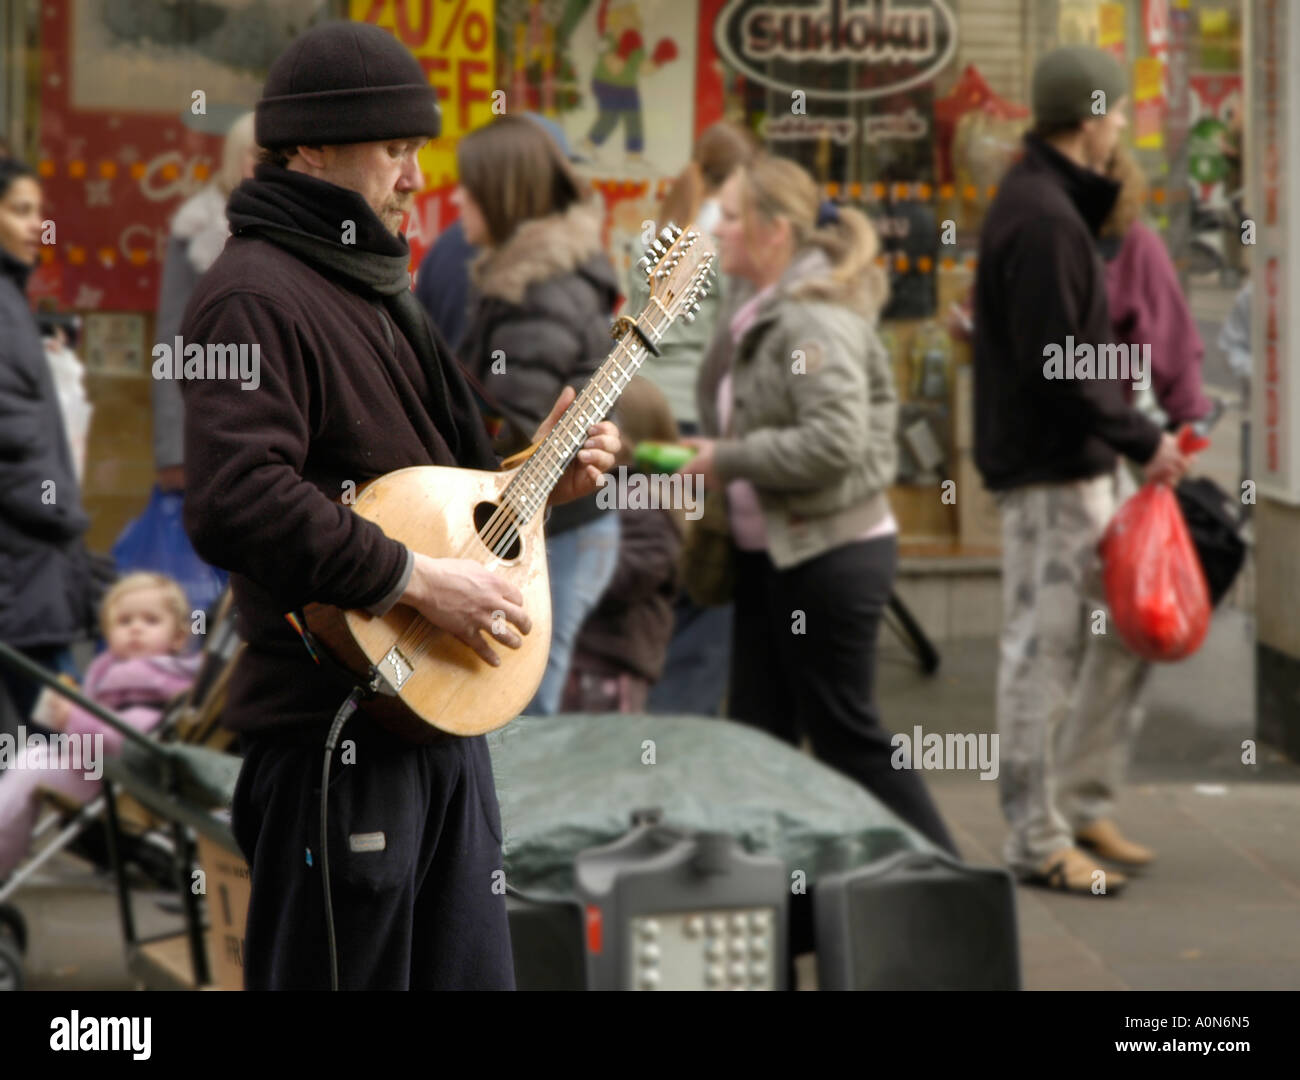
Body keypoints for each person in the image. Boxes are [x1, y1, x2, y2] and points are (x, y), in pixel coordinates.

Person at [177, 22, 618, 990]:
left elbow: (450, 485)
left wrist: (546, 478)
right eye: (395, 149)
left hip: (434, 719)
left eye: (418, 150)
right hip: (333, 737)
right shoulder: (252, 295)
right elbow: (234, 497)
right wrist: (416, 580)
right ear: (312, 150)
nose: (416, 177)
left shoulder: (373, 286)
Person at [681, 155, 957, 856]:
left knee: (844, 736)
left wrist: (726, 460)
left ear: (776, 232)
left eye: (735, 215)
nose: (721, 227)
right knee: (759, 739)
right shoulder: (758, 309)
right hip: (775, 558)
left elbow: (833, 441)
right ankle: (782, 917)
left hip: (827, 558)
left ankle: (949, 888)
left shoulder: (810, 321)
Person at [973, 46, 1193, 896]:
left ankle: (1072, 801)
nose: (1120, 130)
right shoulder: (1047, 218)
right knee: (1040, 655)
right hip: (1054, 477)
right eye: (1114, 113)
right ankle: (1034, 836)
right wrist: (1142, 437)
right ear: (1091, 116)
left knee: (1122, 632)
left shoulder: (1045, 207)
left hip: (1072, 468)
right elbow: (1059, 363)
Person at [454, 115, 622, 716]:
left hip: (557, 530)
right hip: (561, 526)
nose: (455, 198)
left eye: (469, 187)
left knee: (512, 709)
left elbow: (509, 432)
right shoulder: (528, 274)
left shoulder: (538, 289)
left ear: (502, 192)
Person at [635, 121, 756, 719]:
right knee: (703, 577)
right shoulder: (729, 245)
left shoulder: (656, 237)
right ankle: (683, 731)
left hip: (645, 424)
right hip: (695, 429)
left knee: (656, 569)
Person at [0, 573, 200, 881]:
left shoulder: (166, 685)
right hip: (100, 773)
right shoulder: (109, 673)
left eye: (150, 620)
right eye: (124, 621)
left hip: (127, 784)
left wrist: (73, 718)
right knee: (32, 757)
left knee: (31, 764)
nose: (135, 627)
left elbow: (130, 739)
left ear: (177, 637)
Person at [0, 158, 98, 735]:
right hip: (25, 566)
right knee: (75, 747)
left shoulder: (15, 301)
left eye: (38, 211)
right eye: (20, 210)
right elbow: (13, 433)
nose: (37, 224)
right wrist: (63, 512)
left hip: (28, 566)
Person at [561, 376, 683, 713]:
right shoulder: (602, 491)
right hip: (577, 660)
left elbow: (627, 576)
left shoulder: (646, 499)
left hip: (607, 669)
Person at [151, 112, 256, 494]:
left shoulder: (293, 227)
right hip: (210, 424)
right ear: (234, 158)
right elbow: (171, 343)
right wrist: (172, 451)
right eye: (256, 157)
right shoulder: (195, 227)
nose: (267, 169)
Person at [1100, 143, 1213, 427]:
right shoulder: (1041, 232)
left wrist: (1186, 419)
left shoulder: (1135, 246)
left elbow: (1173, 342)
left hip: (1093, 436)